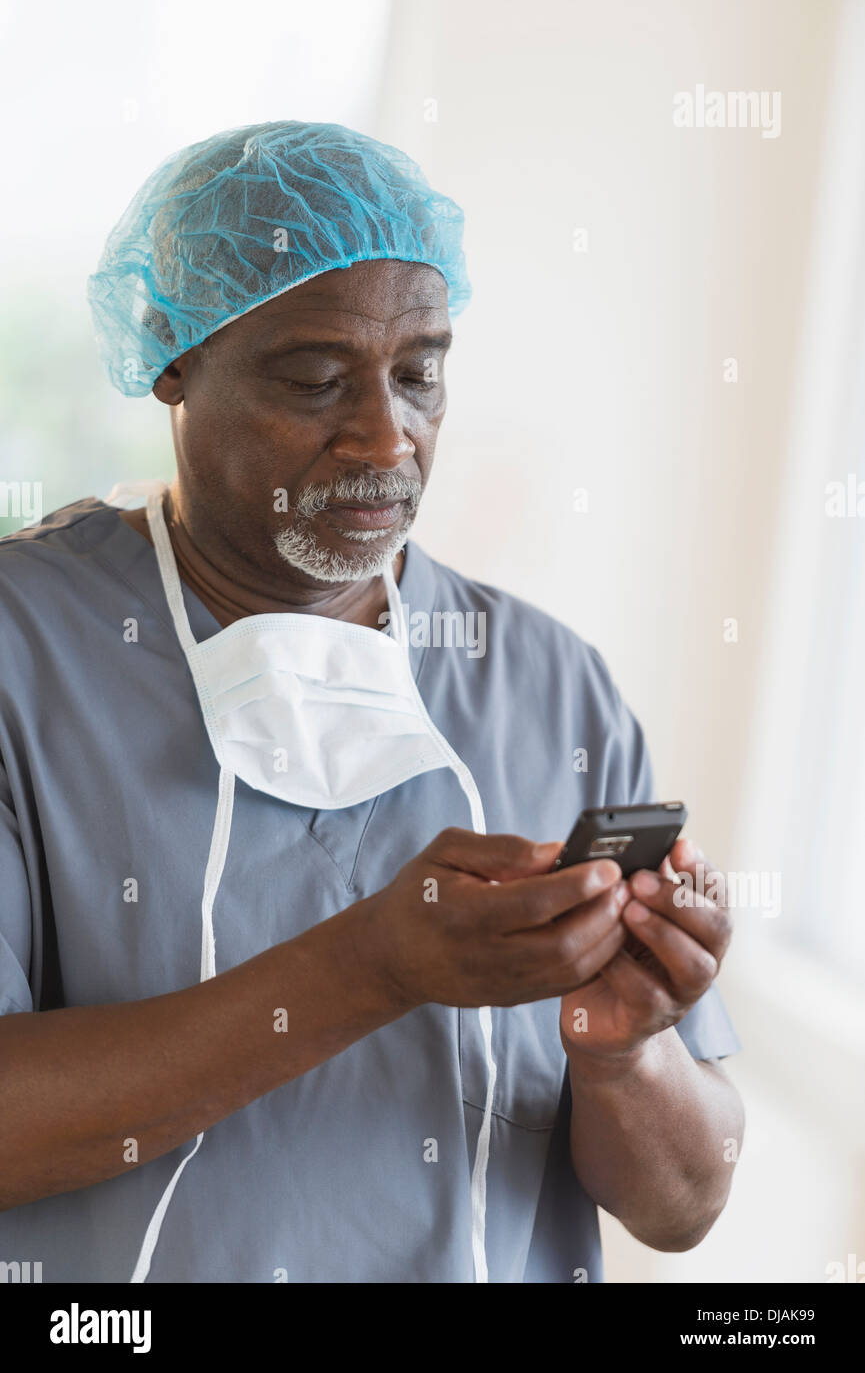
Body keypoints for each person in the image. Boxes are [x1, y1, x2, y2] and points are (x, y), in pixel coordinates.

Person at [0, 121, 743, 1284]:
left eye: (419, 372)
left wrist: (623, 1051)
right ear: (174, 361)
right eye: (313, 378)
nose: (384, 433)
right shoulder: (25, 653)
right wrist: (371, 966)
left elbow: (683, 1208)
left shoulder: (551, 686)